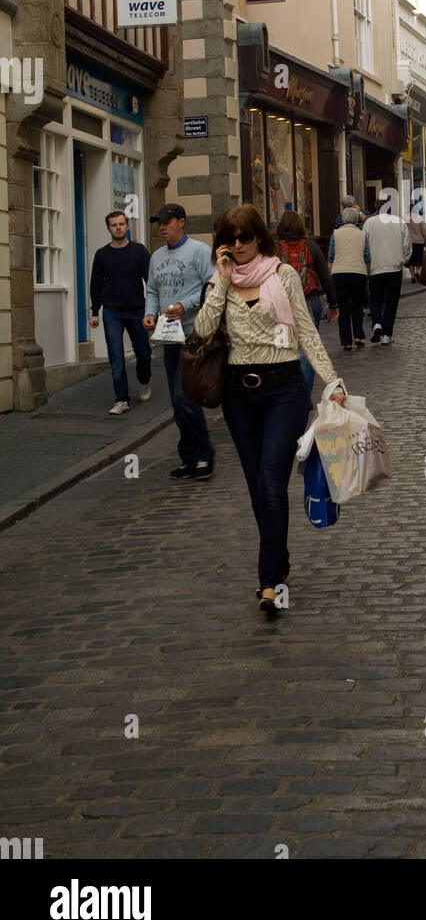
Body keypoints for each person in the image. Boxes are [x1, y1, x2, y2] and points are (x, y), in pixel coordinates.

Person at [194, 204, 347, 614]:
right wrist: (222, 281)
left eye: (244, 237)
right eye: (229, 239)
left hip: (283, 389)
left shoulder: (284, 275)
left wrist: (331, 382)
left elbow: (306, 330)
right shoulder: (220, 280)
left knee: (271, 484)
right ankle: (279, 564)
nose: (237, 245)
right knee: (256, 490)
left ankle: (268, 582)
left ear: (260, 237)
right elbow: (203, 331)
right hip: (238, 395)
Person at [143, 203, 216, 480]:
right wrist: (150, 313)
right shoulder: (156, 257)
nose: (162, 227)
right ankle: (189, 457)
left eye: (167, 222)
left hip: (192, 334)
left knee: (185, 397)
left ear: (181, 222)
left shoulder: (199, 251)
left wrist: (184, 305)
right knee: (176, 401)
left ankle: (204, 455)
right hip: (168, 335)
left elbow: (212, 287)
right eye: (159, 223)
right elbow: (152, 290)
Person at [90, 211, 152, 415]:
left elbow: (150, 282)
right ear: (108, 228)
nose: (118, 227)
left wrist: (152, 309)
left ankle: (144, 380)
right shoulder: (102, 255)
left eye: (121, 224)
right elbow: (95, 285)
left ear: (127, 226)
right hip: (112, 312)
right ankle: (121, 399)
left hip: (137, 310)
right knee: (116, 355)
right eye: (114, 225)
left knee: (143, 353)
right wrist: (95, 311)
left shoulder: (139, 251)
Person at [276, 210, 338, 396]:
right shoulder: (311, 246)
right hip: (310, 301)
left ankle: (288, 390)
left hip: (281, 304)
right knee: (308, 344)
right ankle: (304, 391)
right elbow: (325, 278)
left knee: (283, 345)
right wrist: (333, 304)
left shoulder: (275, 249)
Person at [365, 194, 411, 344]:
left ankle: (377, 322)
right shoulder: (399, 222)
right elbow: (407, 246)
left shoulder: (369, 223)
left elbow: (364, 245)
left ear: (376, 206)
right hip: (394, 267)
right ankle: (386, 335)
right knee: (391, 302)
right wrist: (404, 260)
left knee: (375, 298)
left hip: (375, 267)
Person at [328, 206, 371, 351]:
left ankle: (346, 341)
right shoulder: (362, 235)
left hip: (339, 273)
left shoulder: (335, 234)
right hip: (358, 273)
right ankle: (358, 335)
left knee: (343, 306)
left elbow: (331, 257)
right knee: (357, 305)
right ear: (356, 220)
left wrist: (331, 274)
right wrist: (368, 272)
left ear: (343, 219)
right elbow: (367, 257)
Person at [405, 210, 426, 283]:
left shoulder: (405, 219)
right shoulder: (420, 219)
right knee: (418, 258)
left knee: (411, 259)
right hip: (419, 242)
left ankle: (412, 276)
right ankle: (417, 273)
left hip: (409, 242)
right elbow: (424, 231)